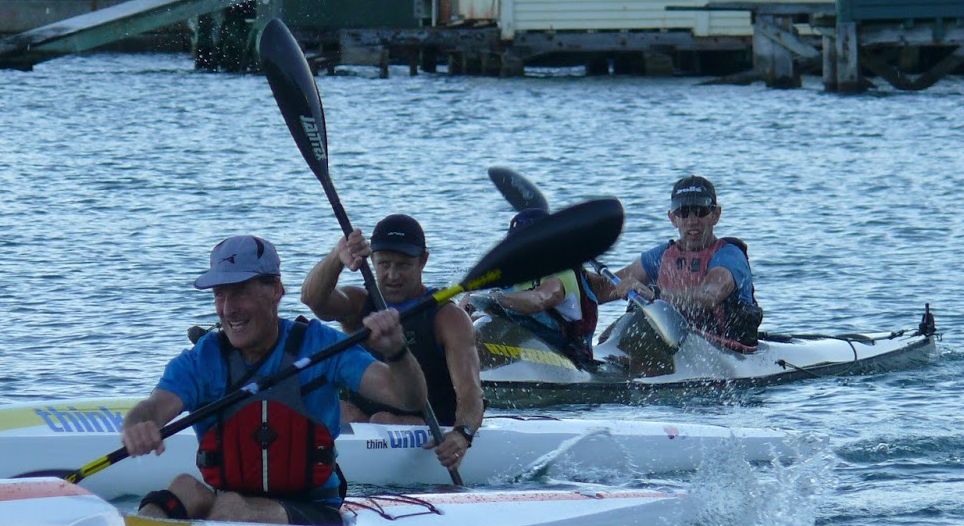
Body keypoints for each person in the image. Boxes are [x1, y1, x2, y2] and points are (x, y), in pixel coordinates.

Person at [121, 233, 426, 526]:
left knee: (231, 506)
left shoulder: (320, 345)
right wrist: (138, 426)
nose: (228, 309)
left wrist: (397, 352)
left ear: (276, 291)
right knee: (183, 486)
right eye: (219, 295)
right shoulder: (204, 358)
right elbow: (155, 406)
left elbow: (408, 398)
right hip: (230, 500)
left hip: (313, 510)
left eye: (240, 292)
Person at [300, 213, 484, 473]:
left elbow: (471, 392)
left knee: (382, 418)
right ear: (371, 260)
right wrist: (336, 257)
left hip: (431, 427)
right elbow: (313, 299)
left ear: (423, 260)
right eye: (384, 264)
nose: (392, 275)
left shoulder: (448, 317)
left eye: (403, 265)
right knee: (334, 407)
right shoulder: (359, 304)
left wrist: (462, 434)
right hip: (364, 423)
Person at [608, 174, 763, 345]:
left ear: (715, 215)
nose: (692, 221)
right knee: (620, 328)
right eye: (683, 212)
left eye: (701, 211)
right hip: (677, 348)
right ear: (673, 218)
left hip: (728, 351)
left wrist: (656, 295)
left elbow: (710, 296)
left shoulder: (729, 256)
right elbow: (604, 289)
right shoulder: (661, 255)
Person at [465, 208, 601, 366]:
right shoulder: (510, 275)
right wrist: (466, 308)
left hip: (566, 358)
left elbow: (539, 300)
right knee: (475, 324)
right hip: (523, 351)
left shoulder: (561, 273)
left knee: (485, 326)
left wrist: (496, 298)